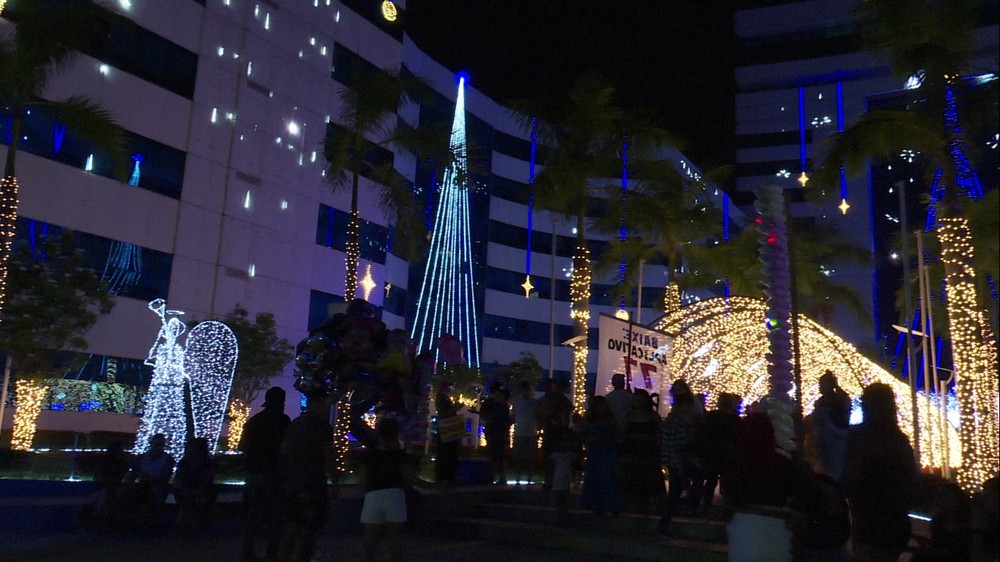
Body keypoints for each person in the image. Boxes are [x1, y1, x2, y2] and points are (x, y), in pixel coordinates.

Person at [843, 383, 915, 562]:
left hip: (868, 522)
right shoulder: (899, 440)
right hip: (895, 522)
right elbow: (911, 481)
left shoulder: (859, 437)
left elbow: (850, 477)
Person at [723, 412, 801, 562]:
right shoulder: (783, 462)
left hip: (743, 526)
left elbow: (729, 493)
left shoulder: (737, 461)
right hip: (777, 526)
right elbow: (797, 493)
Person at [278, 392, 337, 562]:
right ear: (317, 405)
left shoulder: (295, 424)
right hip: (314, 481)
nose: (326, 408)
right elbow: (328, 456)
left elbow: (284, 450)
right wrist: (334, 482)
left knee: (293, 524)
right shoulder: (322, 427)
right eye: (325, 404)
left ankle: (285, 557)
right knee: (310, 527)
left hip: (294, 480)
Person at [239, 386, 291, 562]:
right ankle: (272, 551)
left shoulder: (255, 421)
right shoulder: (283, 421)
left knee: (254, 512)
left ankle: (248, 550)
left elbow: (242, 446)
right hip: (272, 471)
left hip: (253, 471)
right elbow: (287, 447)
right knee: (277, 513)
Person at [360, 417, 416, 562]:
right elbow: (408, 478)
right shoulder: (400, 456)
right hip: (395, 496)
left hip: (373, 496)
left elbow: (364, 478)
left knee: (370, 542)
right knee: (395, 543)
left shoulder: (370, 454)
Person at [657, 379, 704, 535]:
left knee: (677, 491)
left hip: (677, 461)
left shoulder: (679, 422)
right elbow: (675, 446)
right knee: (675, 493)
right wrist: (679, 465)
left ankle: (668, 520)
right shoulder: (675, 423)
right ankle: (665, 523)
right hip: (677, 462)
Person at [618, 389, 664, 516]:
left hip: (648, 452)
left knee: (650, 481)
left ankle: (651, 508)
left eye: (640, 400)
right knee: (633, 480)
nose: (637, 403)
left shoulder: (653, 416)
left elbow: (660, 434)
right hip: (632, 452)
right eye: (635, 400)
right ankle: (633, 507)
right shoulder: (629, 416)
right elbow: (623, 432)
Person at [803, 371, 851, 482]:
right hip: (822, 440)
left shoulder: (839, 400)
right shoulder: (819, 402)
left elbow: (846, 406)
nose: (820, 387)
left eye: (822, 384)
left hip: (836, 441)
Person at [697, 392, 741, 512]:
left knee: (712, 478)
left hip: (714, 451)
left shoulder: (712, 416)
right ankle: (725, 504)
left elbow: (705, 433)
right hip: (725, 452)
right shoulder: (734, 419)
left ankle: (707, 503)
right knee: (725, 478)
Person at [123, 433, 176, 532]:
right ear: (151, 444)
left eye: (161, 445)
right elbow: (133, 474)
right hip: (143, 485)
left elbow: (165, 478)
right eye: (157, 444)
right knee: (127, 492)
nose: (158, 448)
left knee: (156, 493)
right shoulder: (141, 458)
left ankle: (153, 525)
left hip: (158, 486)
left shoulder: (168, 460)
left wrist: (147, 478)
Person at [580, 395, 622, 515]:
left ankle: (612, 505)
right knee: (596, 478)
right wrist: (590, 440)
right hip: (596, 452)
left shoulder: (610, 419)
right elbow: (582, 434)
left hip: (608, 451)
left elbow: (618, 433)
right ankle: (597, 506)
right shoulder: (589, 420)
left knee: (608, 478)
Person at [537, 378, 573, 491]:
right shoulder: (546, 399)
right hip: (550, 431)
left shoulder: (557, 398)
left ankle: (554, 481)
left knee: (555, 457)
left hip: (557, 431)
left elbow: (569, 408)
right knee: (549, 457)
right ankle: (549, 481)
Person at [174, 437, 217, 529]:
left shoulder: (208, 463)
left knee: (198, 499)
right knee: (187, 498)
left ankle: (191, 522)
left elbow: (207, 479)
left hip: (202, 489)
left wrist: (198, 490)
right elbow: (178, 478)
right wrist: (185, 489)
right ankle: (186, 522)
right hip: (186, 489)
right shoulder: (184, 462)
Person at [479, 384, 512, 485]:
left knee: (498, 456)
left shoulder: (502, 406)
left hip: (498, 432)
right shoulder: (497, 404)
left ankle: (498, 477)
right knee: (494, 455)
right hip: (495, 432)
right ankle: (493, 476)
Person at [510, 381, 540, 484]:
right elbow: (512, 416)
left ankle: (529, 478)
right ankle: (518, 478)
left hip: (531, 434)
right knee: (519, 457)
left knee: (529, 457)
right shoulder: (517, 401)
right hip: (520, 433)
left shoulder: (535, 403)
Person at [433, 384, 460, 485]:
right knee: (447, 452)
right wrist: (455, 409)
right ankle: (445, 476)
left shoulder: (442, 397)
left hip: (447, 427)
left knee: (447, 452)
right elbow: (444, 412)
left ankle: (445, 476)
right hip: (447, 428)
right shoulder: (441, 398)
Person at [549, 435, 576, 525]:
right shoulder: (555, 456)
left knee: (564, 499)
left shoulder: (569, 455)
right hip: (558, 479)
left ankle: (563, 518)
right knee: (559, 499)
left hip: (565, 479)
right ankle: (559, 518)